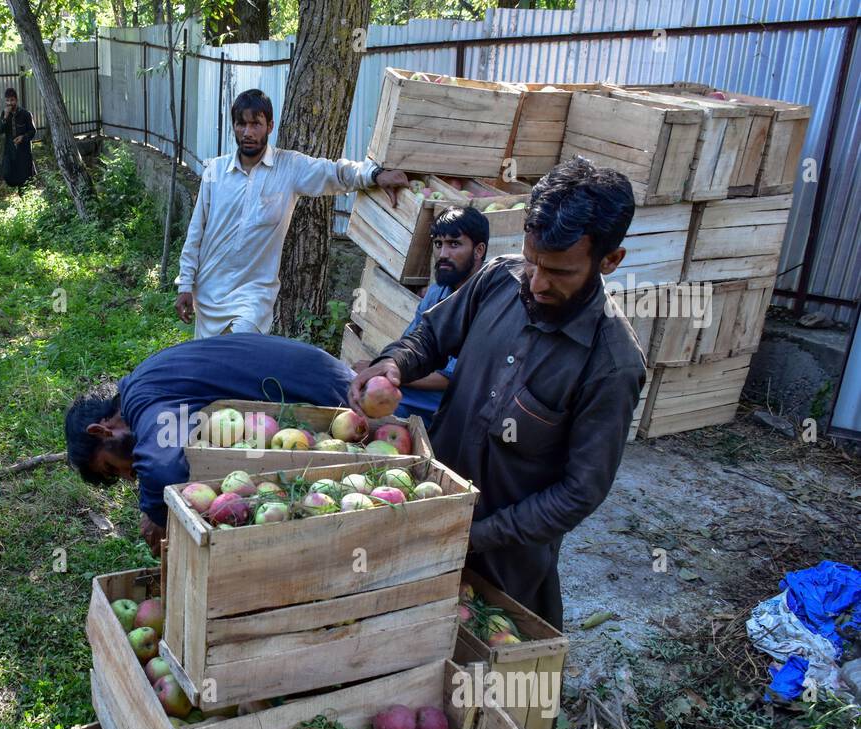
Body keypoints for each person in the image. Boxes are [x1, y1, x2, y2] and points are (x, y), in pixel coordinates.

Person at [349, 157, 647, 629]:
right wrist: (393, 363)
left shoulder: (611, 365)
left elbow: (578, 493)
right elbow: (431, 336)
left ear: (610, 261)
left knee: (481, 673)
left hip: (503, 562)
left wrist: (474, 533)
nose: (537, 282)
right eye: (532, 261)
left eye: (560, 272)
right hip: (426, 509)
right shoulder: (498, 280)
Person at [64, 335, 355, 554]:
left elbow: (164, 466)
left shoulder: (142, 399)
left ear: (103, 431)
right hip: (323, 388)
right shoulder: (149, 385)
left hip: (333, 397)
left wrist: (155, 515)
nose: (129, 475)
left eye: (111, 468)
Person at [175, 89, 410, 338]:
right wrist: (186, 284)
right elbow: (195, 232)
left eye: (256, 123)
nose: (248, 132)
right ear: (233, 126)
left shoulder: (289, 167)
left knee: (240, 351)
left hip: (253, 295)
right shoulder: (215, 171)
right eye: (241, 124)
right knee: (211, 368)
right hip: (210, 293)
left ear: (270, 126)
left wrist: (374, 175)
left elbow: (334, 173)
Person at [382, 206, 491, 426]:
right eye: (438, 244)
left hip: (470, 401)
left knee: (392, 406)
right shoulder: (436, 293)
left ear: (479, 251)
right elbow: (410, 349)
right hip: (428, 390)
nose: (443, 255)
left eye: (454, 244)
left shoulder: (490, 298)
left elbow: (450, 378)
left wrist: (389, 374)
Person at [1, 88, 36, 187]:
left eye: (12, 100)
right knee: (8, 175)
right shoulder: (4, 114)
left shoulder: (25, 114)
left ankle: (24, 197)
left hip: (23, 151)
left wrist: (23, 137)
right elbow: (0, 130)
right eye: (7, 100)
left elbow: (33, 131)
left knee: (24, 178)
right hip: (10, 151)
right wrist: (5, 117)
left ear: (16, 100)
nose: (9, 103)